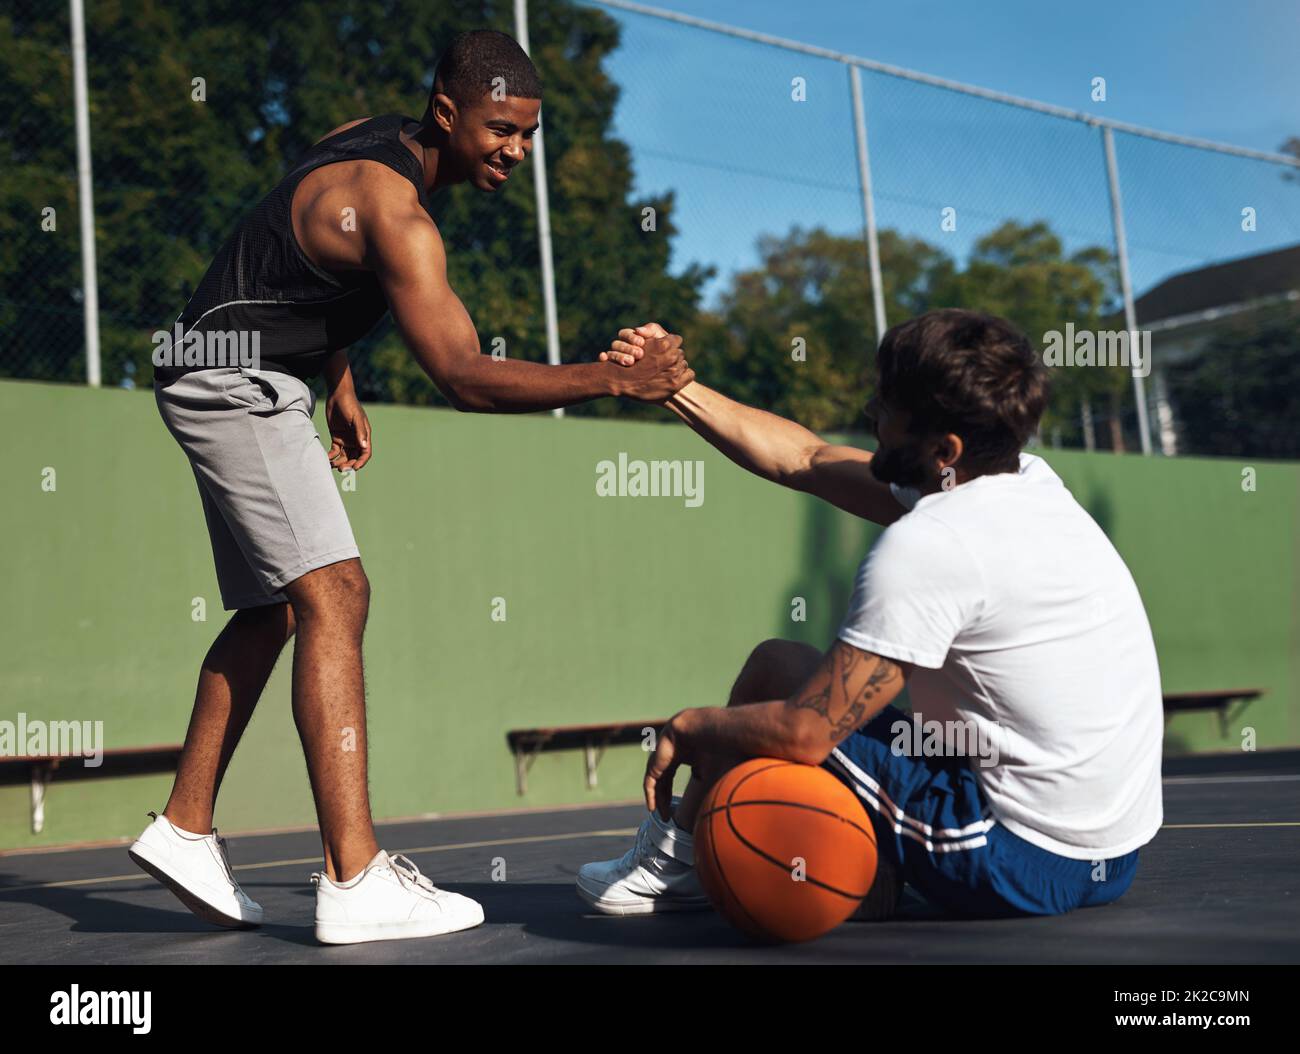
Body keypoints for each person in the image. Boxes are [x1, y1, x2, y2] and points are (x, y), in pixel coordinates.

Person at [130, 29, 692, 946]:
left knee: (279, 608)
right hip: (236, 381)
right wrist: (615, 379)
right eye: (501, 130)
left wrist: (337, 375)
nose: (515, 150)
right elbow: (465, 376)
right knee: (337, 594)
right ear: (447, 115)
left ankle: (185, 828)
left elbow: (291, 252)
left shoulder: (367, 139)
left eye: (529, 135)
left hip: (221, 365)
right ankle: (354, 878)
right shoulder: (399, 215)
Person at [580, 309, 1162, 920]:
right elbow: (804, 458)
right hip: (1112, 854)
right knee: (782, 663)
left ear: (944, 448)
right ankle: (874, 870)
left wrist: (690, 726)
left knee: (770, 693)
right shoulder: (1024, 483)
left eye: (886, 407)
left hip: (1022, 858)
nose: (869, 415)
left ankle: (679, 865)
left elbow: (808, 733)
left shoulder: (935, 542)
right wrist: (674, 386)